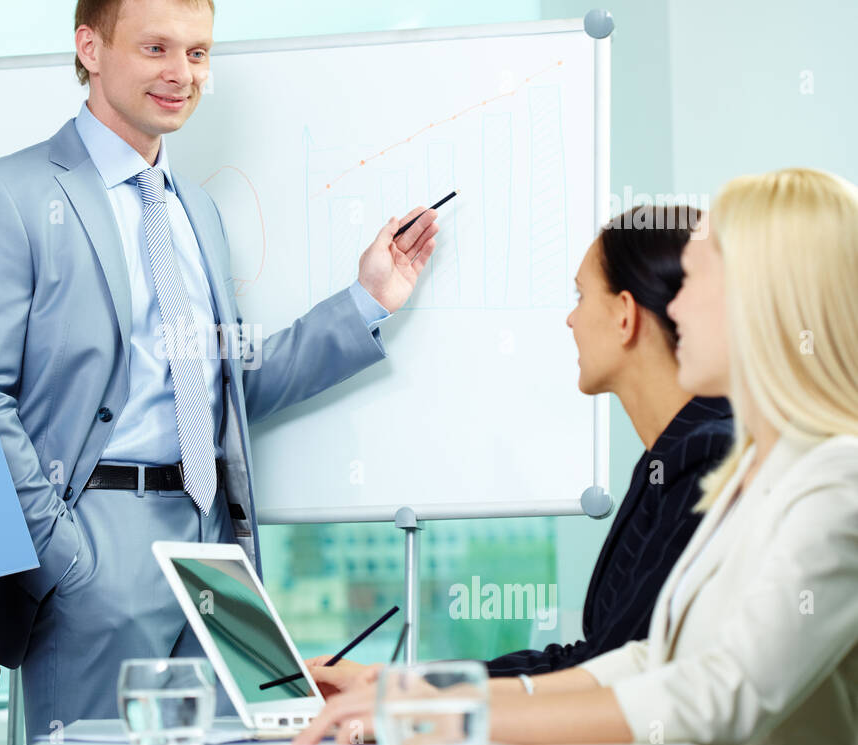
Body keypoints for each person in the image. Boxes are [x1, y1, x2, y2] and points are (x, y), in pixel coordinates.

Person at [0, 0, 441, 739]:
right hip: (92, 550)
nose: (183, 73)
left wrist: (367, 299)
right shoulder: (5, 195)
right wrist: (63, 560)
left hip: (217, 552)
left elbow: (226, 390)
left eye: (199, 53)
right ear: (90, 48)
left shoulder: (194, 211)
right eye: (157, 47)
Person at [295, 168, 858, 745]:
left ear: (764, 297)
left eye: (696, 280)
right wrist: (428, 695)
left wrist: (451, 713)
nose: (677, 304)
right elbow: (645, 662)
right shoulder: (753, 469)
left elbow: (721, 692)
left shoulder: (839, 480)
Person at [308, 204, 733, 698]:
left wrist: (402, 695)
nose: (571, 319)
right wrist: (392, 683)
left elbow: (616, 677)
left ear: (624, 316)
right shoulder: (672, 455)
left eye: (581, 296)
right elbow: (592, 662)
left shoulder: (707, 461)